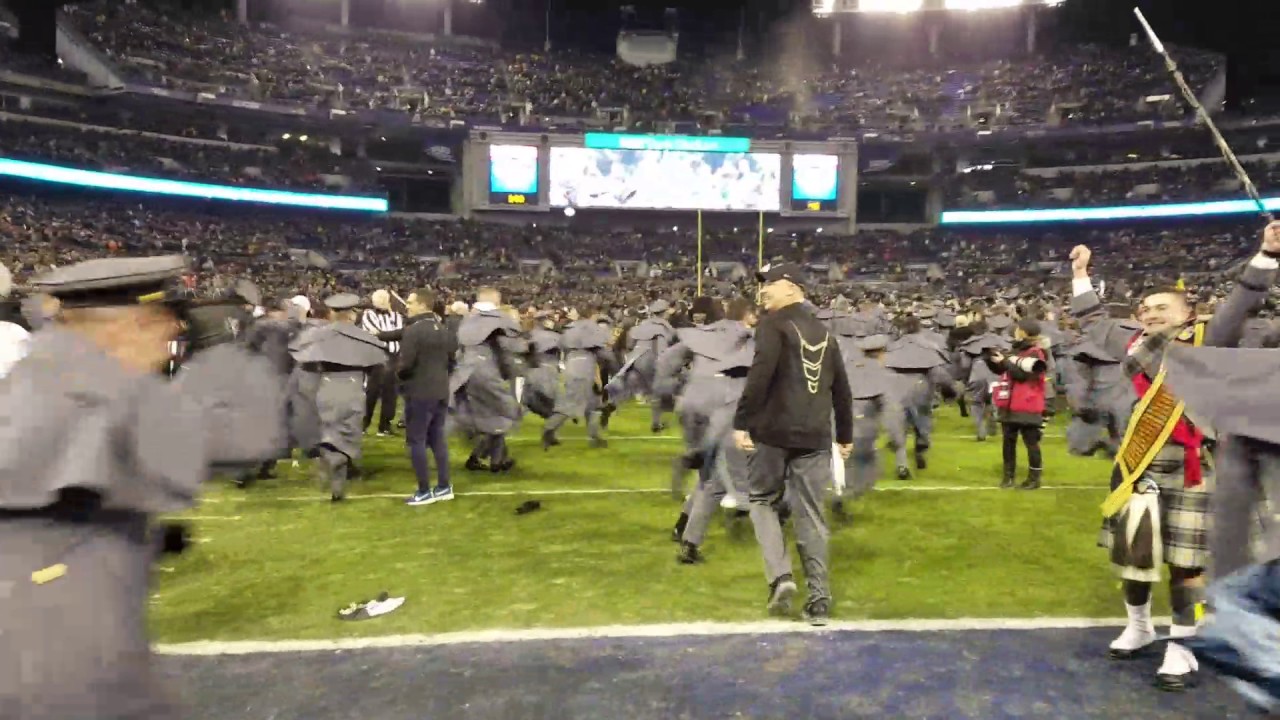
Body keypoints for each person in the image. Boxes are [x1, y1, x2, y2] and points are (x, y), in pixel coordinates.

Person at [0, 255, 287, 720]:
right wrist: (238, 354)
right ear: (125, 326)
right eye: (161, 318)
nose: (175, 329)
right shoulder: (97, 387)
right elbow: (244, 434)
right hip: (54, 635)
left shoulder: (47, 373)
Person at [1070, 222, 1280, 692]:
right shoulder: (1133, 344)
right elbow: (1092, 321)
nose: (1149, 314)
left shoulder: (1210, 341)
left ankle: (1182, 647)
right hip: (1137, 468)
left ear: (1188, 315)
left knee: (1187, 565)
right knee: (1134, 558)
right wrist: (1081, 274)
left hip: (1193, 472)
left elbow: (1241, 302)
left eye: (1161, 308)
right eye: (1145, 309)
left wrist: (1266, 254)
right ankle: (1140, 625)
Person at [733, 263, 853, 626]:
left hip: (772, 432)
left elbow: (760, 373)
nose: (762, 290)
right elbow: (841, 387)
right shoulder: (823, 330)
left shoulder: (773, 324)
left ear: (791, 288)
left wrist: (742, 421)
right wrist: (844, 434)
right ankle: (819, 600)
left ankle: (781, 577)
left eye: (769, 284)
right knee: (812, 515)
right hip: (815, 434)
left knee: (760, 499)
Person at [291, 293, 388, 502]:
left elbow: (302, 358)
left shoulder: (318, 335)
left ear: (332, 313)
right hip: (353, 389)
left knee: (328, 432)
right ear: (352, 313)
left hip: (325, 387)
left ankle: (330, 467)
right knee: (348, 435)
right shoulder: (365, 339)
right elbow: (378, 367)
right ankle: (338, 483)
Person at [450, 288, 524, 472]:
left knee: (491, 416)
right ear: (496, 301)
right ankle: (492, 460)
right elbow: (509, 350)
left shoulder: (466, 321)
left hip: (464, 373)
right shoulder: (498, 320)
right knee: (505, 413)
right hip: (486, 373)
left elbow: (458, 350)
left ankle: (493, 459)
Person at [397, 289, 457, 506]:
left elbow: (405, 365)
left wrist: (400, 377)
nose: (408, 306)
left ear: (423, 305)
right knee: (438, 438)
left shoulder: (413, 331)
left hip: (419, 391)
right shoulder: (444, 329)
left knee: (417, 440)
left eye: (411, 302)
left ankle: (424, 491)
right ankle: (444, 486)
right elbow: (451, 361)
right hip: (441, 390)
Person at [986, 318, 1049, 490]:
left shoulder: (1037, 353)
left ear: (1024, 332)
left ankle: (1034, 478)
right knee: (1008, 442)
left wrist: (1005, 362)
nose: (1015, 331)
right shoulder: (1015, 350)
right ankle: (1008, 477)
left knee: (1031, 442)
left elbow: (1023, 375)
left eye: (1018, 329)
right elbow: (1004, 370)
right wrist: (990, 359)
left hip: (1026, 403)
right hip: (1009, 402)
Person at [361, 288, 404, 436]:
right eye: (379, 299)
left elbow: (399, 333)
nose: (382, 301)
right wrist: (390, 337)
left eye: (384, 298)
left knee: (391, 393)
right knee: (371, 392)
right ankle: (363, 424)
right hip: (377, 355)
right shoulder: (368, 314)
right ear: (373, 301)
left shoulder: (396, 316)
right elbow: (373, 334)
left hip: (394, 356)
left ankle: (384, 426)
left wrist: (385, 336)